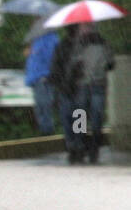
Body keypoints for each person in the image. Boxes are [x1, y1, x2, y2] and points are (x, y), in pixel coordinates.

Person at [52, 22, 113, 164]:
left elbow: (110, 63)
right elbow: (110, 63)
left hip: (91, 85)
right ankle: (85, 148)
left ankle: (86, 148)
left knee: (87, 117)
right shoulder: (95, 43)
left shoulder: (90, 44)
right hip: (87, 85)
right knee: (85, 117)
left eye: (87, 26)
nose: (85, 29)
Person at [24, 29, 59, 136]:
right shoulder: (37, 39)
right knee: (40, 107)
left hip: (43, 78)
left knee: (44, 106)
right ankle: (45, 131)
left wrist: (47, 75)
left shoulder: (50, 39)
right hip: (36, 78)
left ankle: (47, 133)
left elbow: (51, 58)